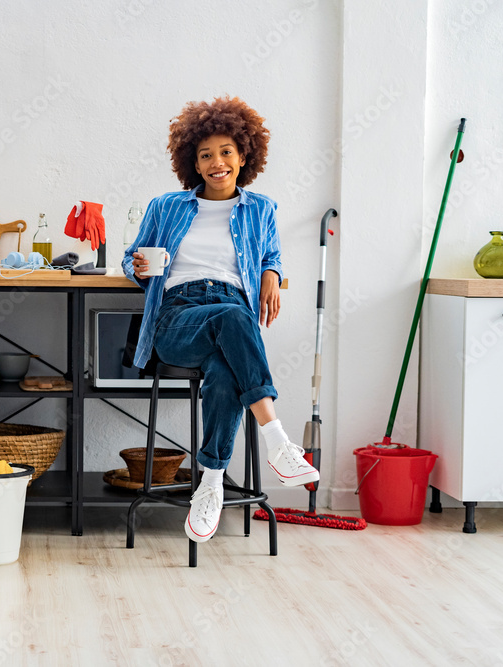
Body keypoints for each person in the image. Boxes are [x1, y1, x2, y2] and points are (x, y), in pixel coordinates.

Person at [122, 96, 319, 544]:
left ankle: (209, 485)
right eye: (206, 154)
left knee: (227, 372)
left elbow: (272, 254)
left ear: (244, 155)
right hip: (179, 317)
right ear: (193, 161)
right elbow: (132, 256)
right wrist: (135, 266)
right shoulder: (166, 205)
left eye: (226, 151)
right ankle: (278, 442)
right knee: (233, 317)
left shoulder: (261, 208)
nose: (217, 162)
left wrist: (272, 273)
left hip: (231, 316)